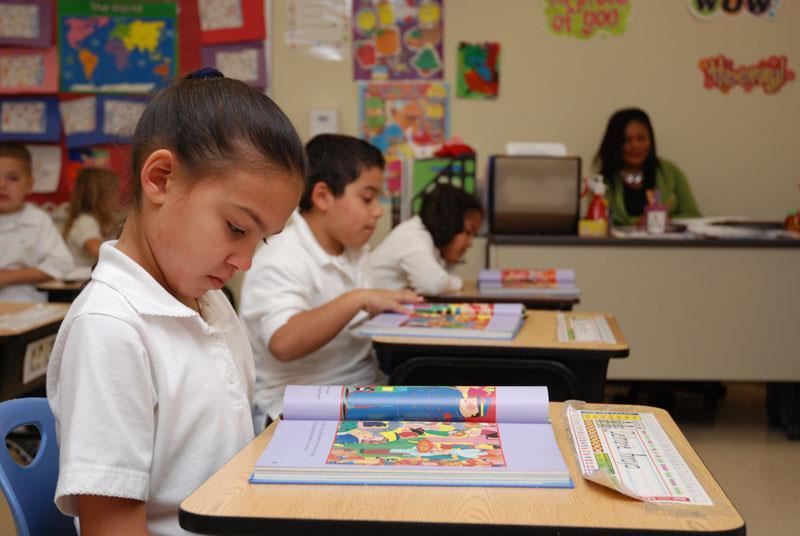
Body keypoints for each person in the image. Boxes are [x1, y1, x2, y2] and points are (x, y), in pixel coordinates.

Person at [46, 69, 307, 535]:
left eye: (262, 239)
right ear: (160, 178)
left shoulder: (210, 302)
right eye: (236, 228)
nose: (246, 260)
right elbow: (111, 527)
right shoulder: (110, 328)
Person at [239, 134, 420, 429]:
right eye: (367, 198)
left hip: (363, 389)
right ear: (323, 197)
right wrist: (357, 299)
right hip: (297, 405)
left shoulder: (354, 251)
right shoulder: (281, 255)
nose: (378, 211)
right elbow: (283, 342)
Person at [368, 183, 483, 294]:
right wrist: (458, 282)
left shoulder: (428, 242)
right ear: (449, 222)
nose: (470, 243)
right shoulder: (413, 236)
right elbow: (433, 284)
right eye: (468, 232)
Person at [594, 108, 701, 226]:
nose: (635, 145)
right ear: (614, 144)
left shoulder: (671, 172)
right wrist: (636, 225)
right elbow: (595, 224)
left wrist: (666, 221)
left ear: (650, 141)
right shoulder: (601, 182)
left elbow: (693, 215)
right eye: (626, 140)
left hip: (667, 238)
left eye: (641, 139)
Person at [0, 142, 73, 302]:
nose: (2, 185)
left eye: (13, 178)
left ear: (29, 185)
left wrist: (7, 277)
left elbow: (61, 264)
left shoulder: (38, 221)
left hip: (26, 306)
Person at [62, 167, 121, 271]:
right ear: (100, 197)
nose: (117, 197)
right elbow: (102, 252)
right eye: (113, 192)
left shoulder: (95, 221)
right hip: (80, 278)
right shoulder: (85, 222)